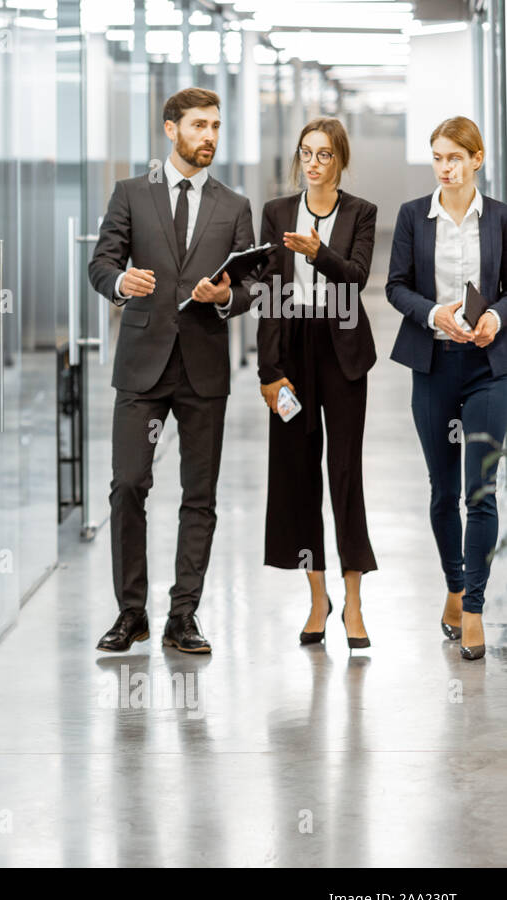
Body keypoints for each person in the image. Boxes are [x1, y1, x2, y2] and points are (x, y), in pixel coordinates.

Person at [88, 86, 257, 656]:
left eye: (215, 126)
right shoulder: (133, 193)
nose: (209, 136)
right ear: (171, 129)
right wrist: (118, 283)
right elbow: (102, 262)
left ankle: (183, 615)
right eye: (199, 126)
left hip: (204, 366)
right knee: (128, 484)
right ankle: (130, 611)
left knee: (199, 494)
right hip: (142, 363)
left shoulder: (234, 206)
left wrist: (228, 295)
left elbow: (253, 283)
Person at [386, 116, 507, 662]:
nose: (445, 167)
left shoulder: (502, 218)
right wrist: (434, 312)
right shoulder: (414, 216)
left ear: (477, 159)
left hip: (487, 368)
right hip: (433, 364)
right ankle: (455, 587)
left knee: (479, 490)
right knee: (442, 491)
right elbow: (395, 287)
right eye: (437, 157)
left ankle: (476, 608)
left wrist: (497, 320)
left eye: (455, 157)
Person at [256, 118, 378, 650]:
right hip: (292, 351)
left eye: (324, 154)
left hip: (343, 348)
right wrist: (268, 370)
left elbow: (355, 276)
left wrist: (316, 252)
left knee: (344, 473)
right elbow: (267, 293)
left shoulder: (361, 213)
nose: (313, 163)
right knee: (297, 473)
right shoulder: (276, 213)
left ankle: (353, 602)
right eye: (306, 152)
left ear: (340, 160)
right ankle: (316, 596)